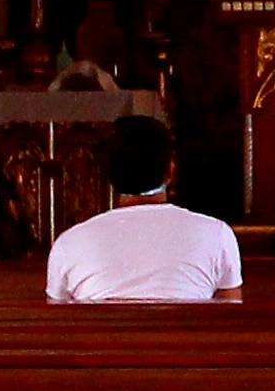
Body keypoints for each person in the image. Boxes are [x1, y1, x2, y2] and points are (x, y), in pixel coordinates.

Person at [46, 113, 243, 304]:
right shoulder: (216, 234)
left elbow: (58, 320)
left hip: (106, 339)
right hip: (182, 338)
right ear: (171, 170)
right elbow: (229, 317)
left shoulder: (70, 242)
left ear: (108, 175)